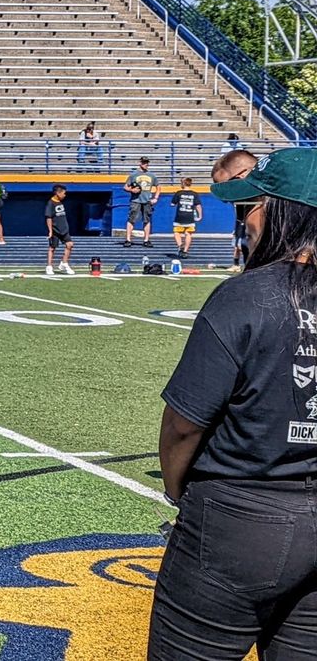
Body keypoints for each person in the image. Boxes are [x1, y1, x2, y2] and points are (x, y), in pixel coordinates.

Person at [149, 147, 317, 659]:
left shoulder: (245, 295)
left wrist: (177, 490)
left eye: (254, 206)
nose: (247, 220)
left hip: (240, 517)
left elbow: (183, 425)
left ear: (284, 213)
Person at [213, 148, 258, 270]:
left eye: (228, 186)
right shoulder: (244, 204)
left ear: (243, 175)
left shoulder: (283, 204)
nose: (228, 195)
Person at [124, 156, 158, 248]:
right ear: (140, 163)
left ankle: (146, 240)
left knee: (147, 220)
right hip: (136, 200)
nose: (146, 164)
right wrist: (132, 190)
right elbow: (125, 187)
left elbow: (158, 187)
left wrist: (156, 198)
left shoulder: (152, 175)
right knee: (131, 219)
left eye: (147, 163)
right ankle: (128, 239)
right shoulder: (133, 175)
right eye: (144, 162)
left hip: (147, 200)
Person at [45, 184, 75, 276]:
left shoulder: (60, 203)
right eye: (63, 193)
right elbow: (48, 217)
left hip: (64, 229)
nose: (65, 195)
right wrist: (50, 231)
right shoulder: (50, 203)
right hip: (55, 230)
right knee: (52, 248)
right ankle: (49, 266)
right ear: (58, 193)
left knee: (70, 244)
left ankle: (64, 263)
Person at [169, 177, 202, 259]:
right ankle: (185, 251)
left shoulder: (179, 193)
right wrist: (200, 215)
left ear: (183, 183)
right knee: (188, 234)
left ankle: (180, 245)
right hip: (190, 216)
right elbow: (198, 206)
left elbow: (172, 204)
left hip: (180, 216)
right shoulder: (194, 194)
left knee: (176, 232)